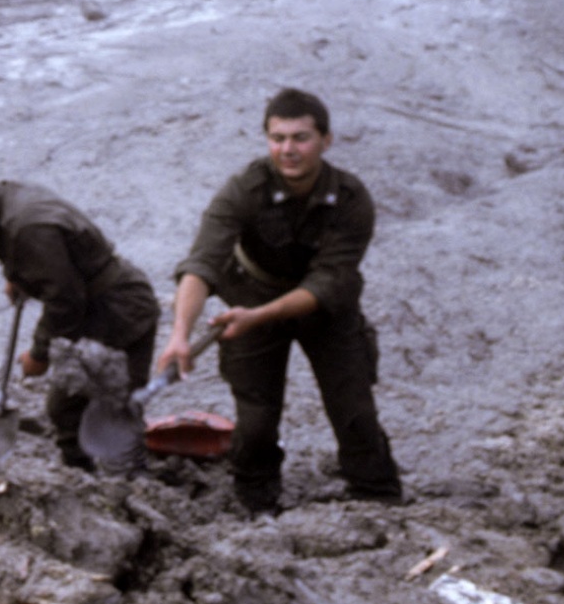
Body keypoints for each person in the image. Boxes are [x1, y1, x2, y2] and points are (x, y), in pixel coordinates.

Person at [162, 89, 402, 514]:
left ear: (326, 141)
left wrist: (260, 316)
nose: (287, 150)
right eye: (277, 138)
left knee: (355, 410)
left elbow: (328, 281)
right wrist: (180, 334)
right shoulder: (243, 190)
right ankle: (257, 503)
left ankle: (378, 497)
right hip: (250, 293)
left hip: (324, 307)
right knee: (255, 421)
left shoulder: (352, 199)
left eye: (300, 138)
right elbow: (202, 263)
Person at [0, 158, 161, 471]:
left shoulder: (26, 227)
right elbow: (53, 259)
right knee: (68, 408)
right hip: (98, 303)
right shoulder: (6, 198)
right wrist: (20, 274)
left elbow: (65, 301)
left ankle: (125, 484)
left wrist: (39, 354)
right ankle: (83, 475)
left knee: (109, 406)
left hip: (119, 311)